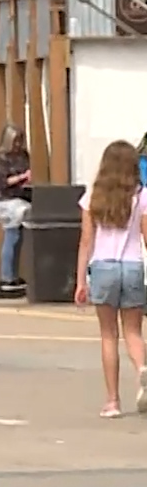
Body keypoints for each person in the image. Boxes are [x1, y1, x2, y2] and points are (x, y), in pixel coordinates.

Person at [73, 140, 147, 416]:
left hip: (103, 266)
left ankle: (113, 401)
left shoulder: (93, 196)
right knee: (133, 331)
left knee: (108, 335)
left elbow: (86, 241)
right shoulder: (141, 196)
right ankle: (142, 368)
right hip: (132, 266)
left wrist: (81, 280)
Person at [0, 128, 33, 290]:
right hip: (6, 199)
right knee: (12, 235)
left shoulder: (24, 155)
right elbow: (3, 183)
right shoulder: (1, 157)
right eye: (15, 141)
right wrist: (22, 177)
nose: (17, 144)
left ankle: (14, 274)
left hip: (21, 197)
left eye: (20, 140)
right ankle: (7, 276)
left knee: (19, 237)